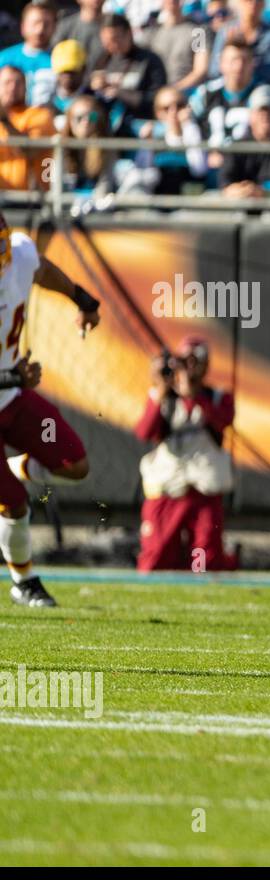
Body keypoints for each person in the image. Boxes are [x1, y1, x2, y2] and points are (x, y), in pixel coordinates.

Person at [0, 209, 100, 607]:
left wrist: (83, 298)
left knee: (74, 464)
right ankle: (23, 581)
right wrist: (13, 376)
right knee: (15, 502)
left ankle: (13, 465)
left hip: (10, 398)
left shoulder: (18, 257)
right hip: (10, 385)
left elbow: (40, 268)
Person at [135, 336, 238, 572]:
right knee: (156, 560)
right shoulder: (163, 398)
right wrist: (162, 389)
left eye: (195, 361)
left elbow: (223, 421)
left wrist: (195, 397)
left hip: (203, 492)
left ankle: (229, 560)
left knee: (204, 562)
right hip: (168, 490)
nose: (190, 367)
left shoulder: (218, 397)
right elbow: (145, 431)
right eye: (185, 360)